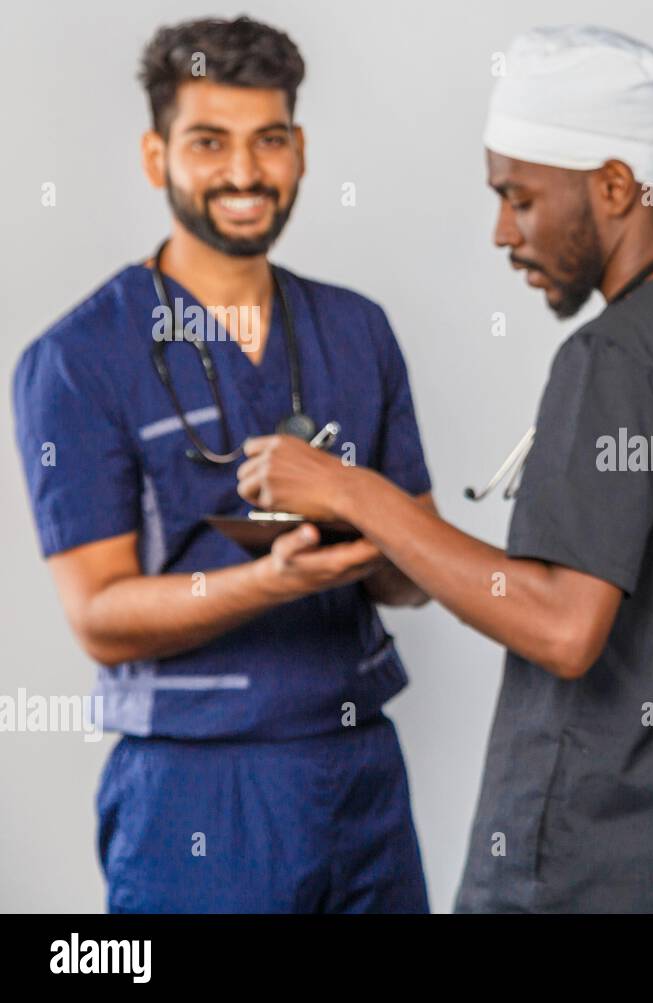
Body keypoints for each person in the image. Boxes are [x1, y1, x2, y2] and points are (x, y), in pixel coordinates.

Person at [234, 25, 653, 913]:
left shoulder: (612, 356)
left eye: (520, 197)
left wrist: (354, 491)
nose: (503, 231)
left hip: (581, 867)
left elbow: (562, 625)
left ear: (616, 185)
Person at [11, 16, 434, 913]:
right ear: (156, 155)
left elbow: (411, 578)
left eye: (268, 140)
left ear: (301, 150)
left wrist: (378, 531)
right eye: (210, 142)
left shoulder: (357, 330)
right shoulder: (80, 358)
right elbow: (99, 616)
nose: (245, 172)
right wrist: (276, 580)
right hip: (194, 790)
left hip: (361, 772)